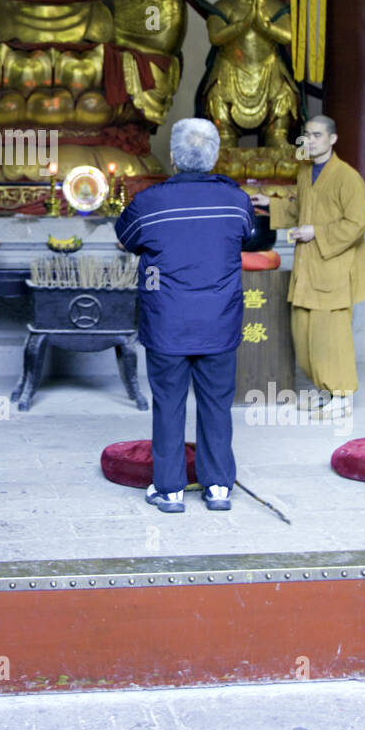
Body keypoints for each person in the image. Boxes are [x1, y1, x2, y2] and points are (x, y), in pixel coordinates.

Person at [115, 118, 255, 513]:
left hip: (167, 323)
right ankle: (218, 489)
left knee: (169, 403)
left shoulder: (149, 202)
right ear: (214, 157)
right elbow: (246, 235)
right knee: (216, 404)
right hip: (218, 322)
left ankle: (170, 489)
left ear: (173, 157)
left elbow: (125, 238)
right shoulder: (236, 201)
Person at [253, 115, 365, 420]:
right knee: (305, 331)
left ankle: (342, 396)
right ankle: (326, 391)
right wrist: (269, 204)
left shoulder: (347, 177)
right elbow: (299, 209)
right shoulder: (305, 172)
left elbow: (357, 223)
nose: (310, 141)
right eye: (307, 135)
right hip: (309, 267)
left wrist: (317, 233)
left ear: (332, 139)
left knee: (331, 336)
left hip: (333, 268)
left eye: (317, 135)